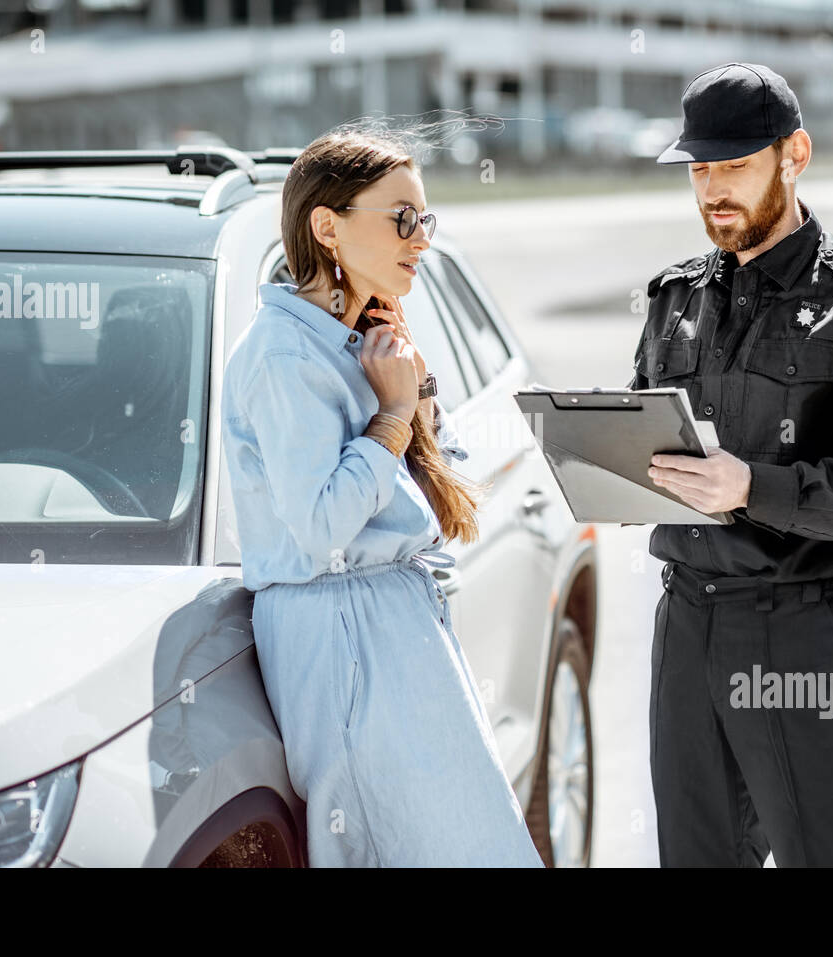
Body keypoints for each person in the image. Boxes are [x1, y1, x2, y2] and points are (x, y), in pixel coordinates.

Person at [628, 63, 833, 866]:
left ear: (794, 154)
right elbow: (647, 435)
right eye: (699, 169)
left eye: (734, 165)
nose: (712, 189)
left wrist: (750, 486)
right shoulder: (674, 298)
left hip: (805, 631)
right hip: (688, 627)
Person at [220, 123, 543, 867]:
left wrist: (415, 394)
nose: (419, 238)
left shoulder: (369, 338)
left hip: (398, 625)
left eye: (423, 219)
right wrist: (393, 418)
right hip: (341, 638)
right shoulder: (281, 355)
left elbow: (442, 493)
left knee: (472, 846)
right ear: (327, 227)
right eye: (400, 218)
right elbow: (320, 525)